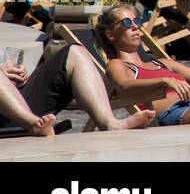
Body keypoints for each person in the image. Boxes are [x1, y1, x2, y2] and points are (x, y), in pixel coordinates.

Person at [0, 42, 156, 136]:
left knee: (75, 52)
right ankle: (32, 124)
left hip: (11, 102)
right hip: (13, 119)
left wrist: (14, 71)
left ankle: (109, 123)